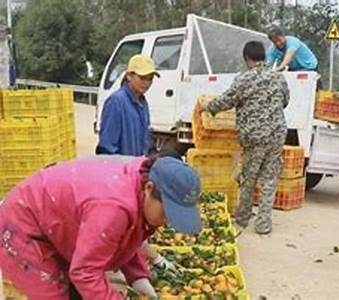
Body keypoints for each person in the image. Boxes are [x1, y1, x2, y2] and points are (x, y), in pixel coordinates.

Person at [0, 155, 201, 299]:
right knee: (54, 293)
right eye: (167, 212)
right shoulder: (113, 207)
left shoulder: (143, 179)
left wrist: (138, 276)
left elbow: (128, 235)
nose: (166, 221)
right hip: (23, 225)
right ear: (149, 189)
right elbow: (85, 272)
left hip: (57, 222)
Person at [200, 41, 289, 235]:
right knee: (269, 178)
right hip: (277, 135)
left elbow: (227, 100)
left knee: (249, 178)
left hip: (254, 136)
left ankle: (242, 219)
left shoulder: (244, 79)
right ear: (263, 57)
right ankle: (264, 223)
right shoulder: (278, 77)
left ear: (247, 58)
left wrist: (208, 107)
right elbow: (285, 101)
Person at [96, 54, 159, 156]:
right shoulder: (116, 102)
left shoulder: (143, 103)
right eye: (142, 78)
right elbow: (107, 148)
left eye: (150, 78)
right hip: (121, 169)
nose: (147, 83)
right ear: (129, 76)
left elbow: (146, 141)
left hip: (136, 168)